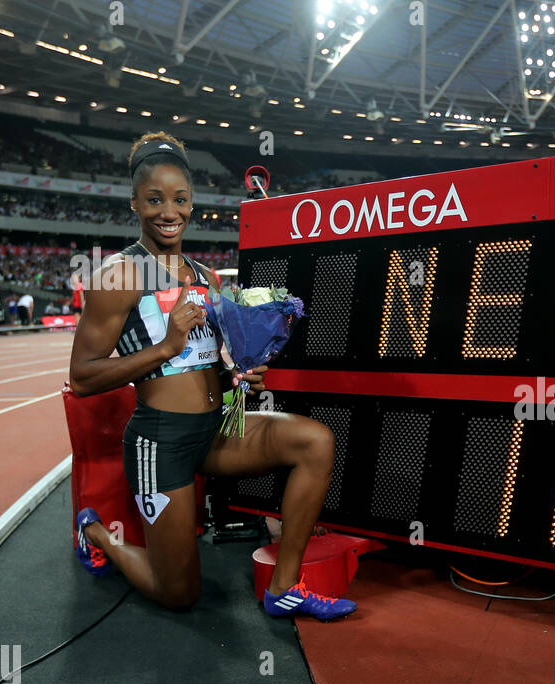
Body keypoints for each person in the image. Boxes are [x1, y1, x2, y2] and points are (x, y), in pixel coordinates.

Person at [67, 132, 350, 620]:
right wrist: (165, 347)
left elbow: (207, 368)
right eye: (154, 199)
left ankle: (284, 587)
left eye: (179, 199)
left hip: (215, 429)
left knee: (316, 442)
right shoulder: (119, 275)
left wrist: (238, 374)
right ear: (135, 202)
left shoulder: (207, 278)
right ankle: (95, 533)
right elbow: (83, 377)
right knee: (179, 593)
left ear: (192, 204)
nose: (167, 211)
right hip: (161, 442)